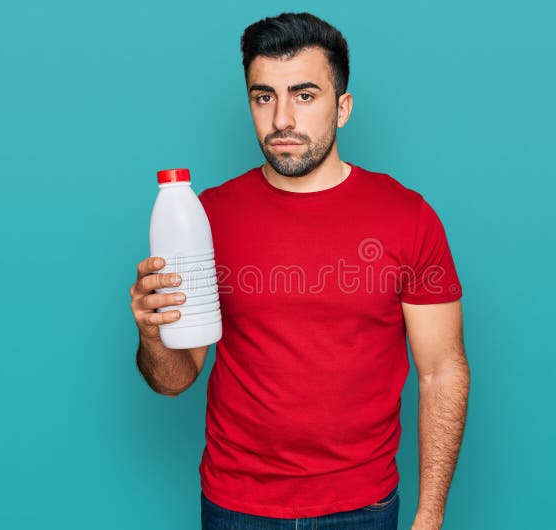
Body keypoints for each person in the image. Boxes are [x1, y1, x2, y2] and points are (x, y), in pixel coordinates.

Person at [129, 12, 470, 530]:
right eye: (264, 97)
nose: (282, 119)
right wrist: (153, 334)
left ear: (343, 108)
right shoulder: (206, 218)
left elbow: (442, 370)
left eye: (304, 95)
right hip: (236, 505)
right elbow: (174, 381)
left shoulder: (409, 217)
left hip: (365, 507)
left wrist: (430, 514)